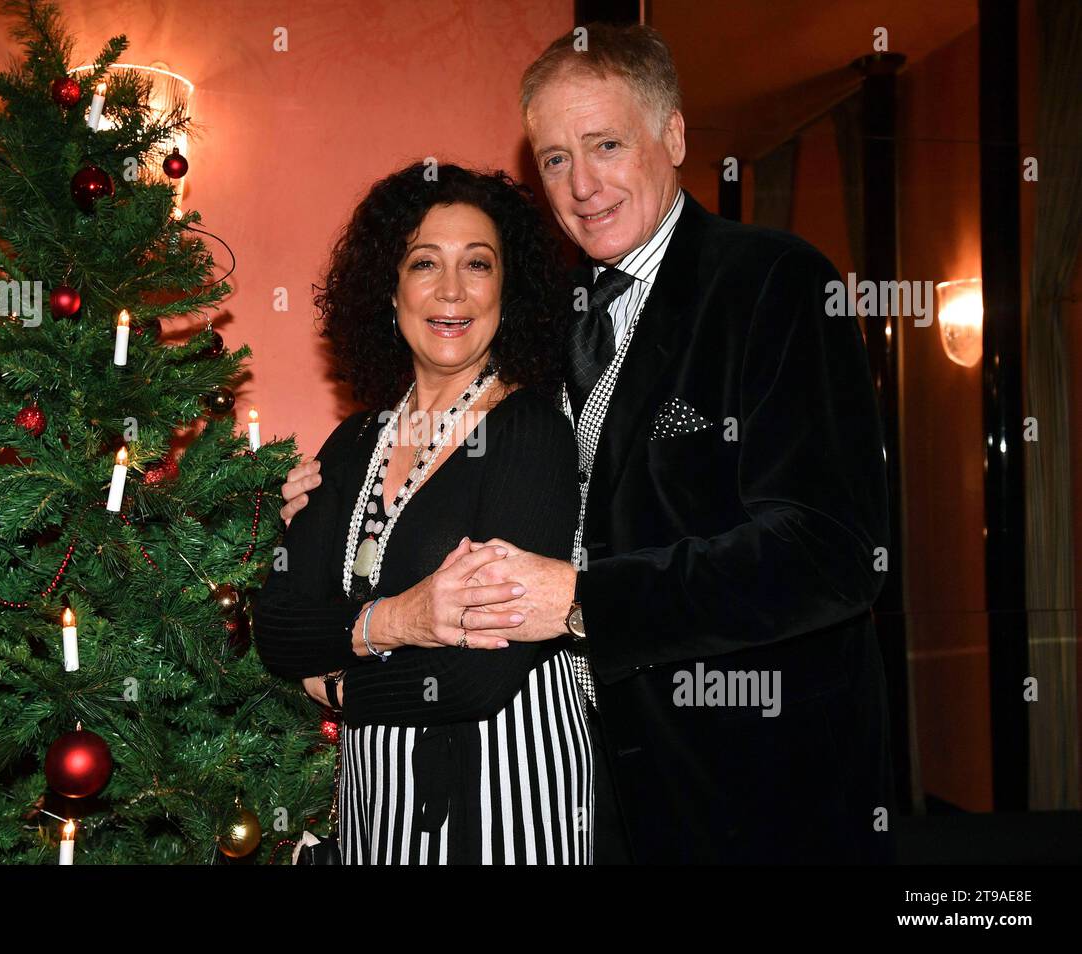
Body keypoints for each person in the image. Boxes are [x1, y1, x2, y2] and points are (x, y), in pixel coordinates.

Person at [280, 24, 893, 864]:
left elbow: (831, 554)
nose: (583, 185)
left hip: (758, 786)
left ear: (672, 135)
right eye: (555, 158)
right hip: (597, 796)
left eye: (606, 144)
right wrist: (315, 512)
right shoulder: (543, 315)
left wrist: (581, 600)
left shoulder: (773, 281)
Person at [255, 163, 594, 864]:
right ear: (390, 289)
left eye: (478, 264)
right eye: (423, 263)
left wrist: (341, 681)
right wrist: (396, 621)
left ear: (510, 289)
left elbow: (479, 677)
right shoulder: (352, 443)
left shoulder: (531, 431)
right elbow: (279, 631)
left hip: (506, 801)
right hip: (375, 801)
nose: (450, 291)